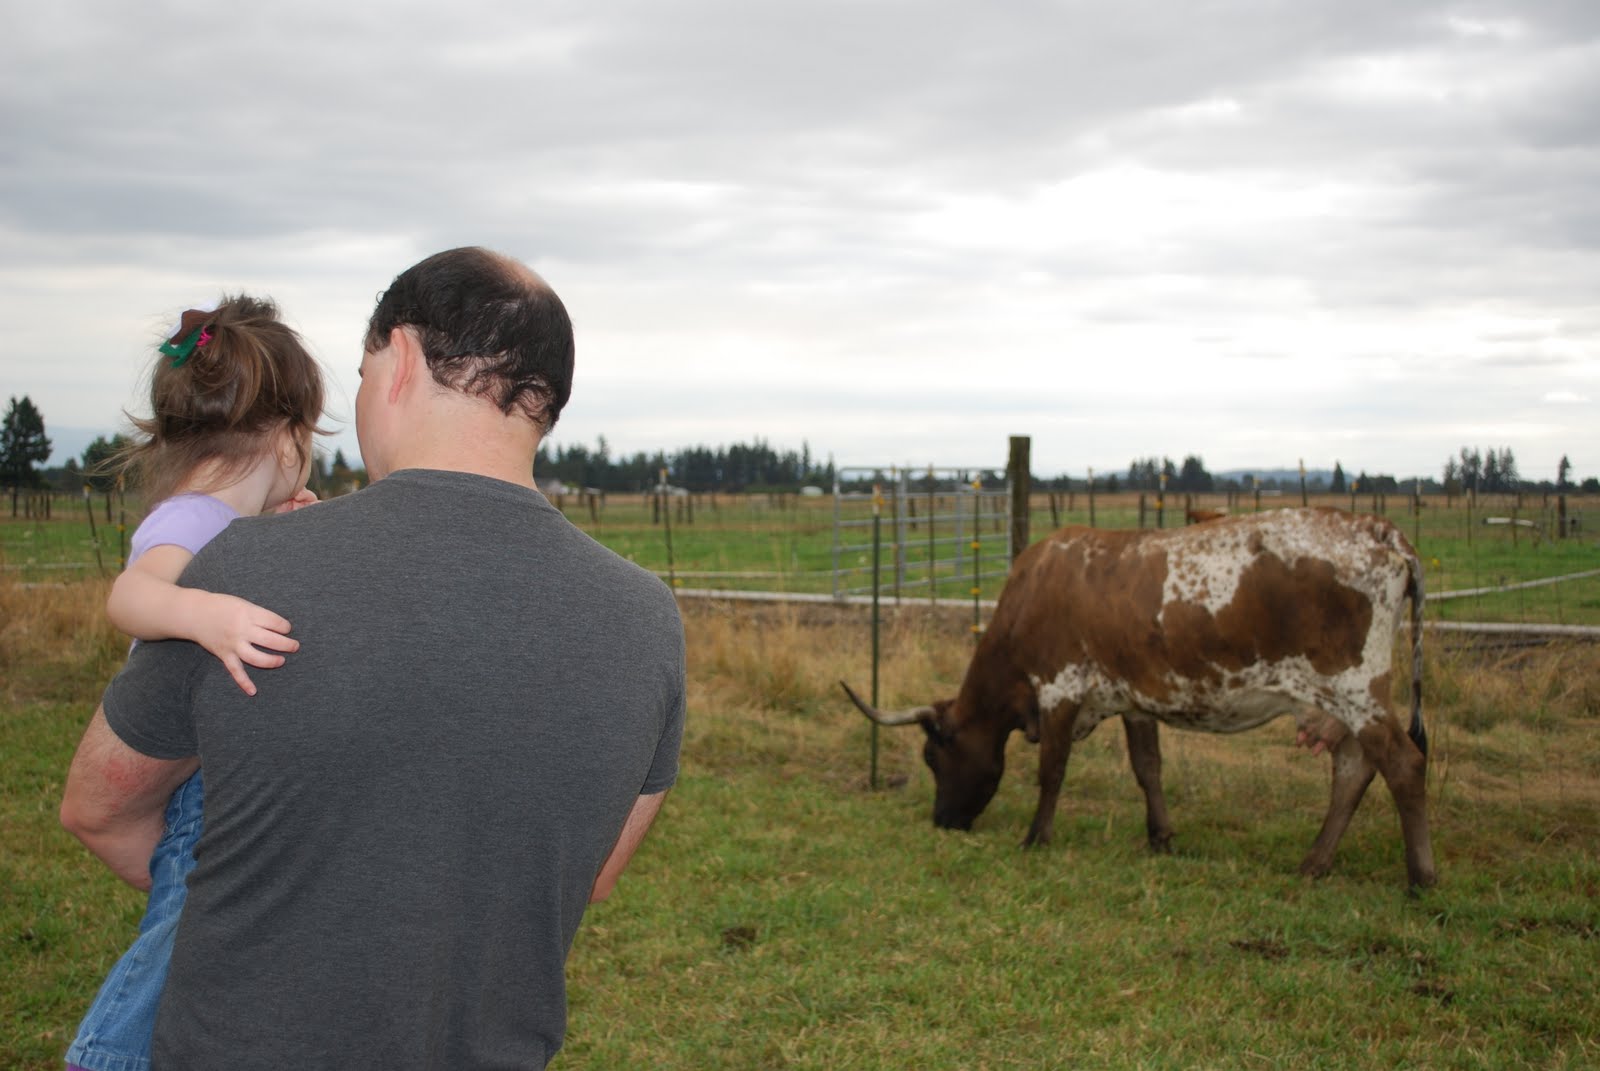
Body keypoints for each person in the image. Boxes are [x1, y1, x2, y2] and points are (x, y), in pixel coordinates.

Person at [61, 247, 686, 1070]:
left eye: (360, 371)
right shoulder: (649, 621)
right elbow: (595, 871)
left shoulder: (247, 570)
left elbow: (98, 805)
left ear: (400, 360)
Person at [65, 295, 326, 1071]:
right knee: (181, 942)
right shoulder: (190, 518)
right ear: (288, 436)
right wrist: (202, 614)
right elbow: (132, 596)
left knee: (197, 938)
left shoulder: (231, 518)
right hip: (198, 796)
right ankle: (107, 1054)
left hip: (224, 775)